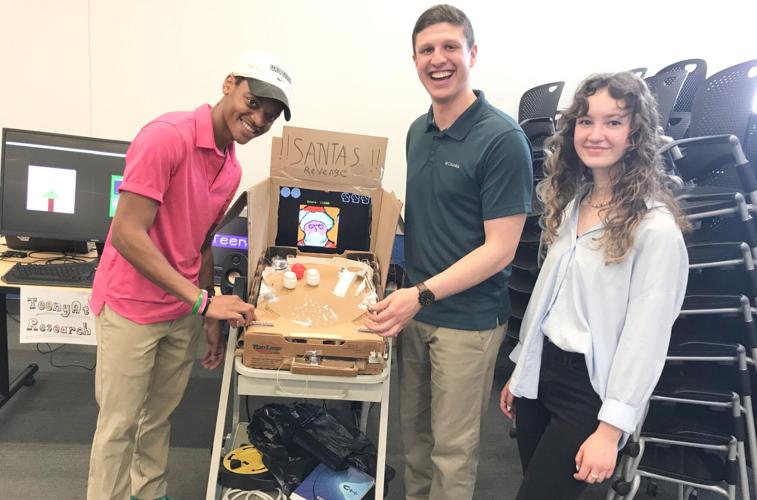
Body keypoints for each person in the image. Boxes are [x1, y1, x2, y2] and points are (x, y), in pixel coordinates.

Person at [87, 53, 293, 500]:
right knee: (119, 424)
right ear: (229, 83)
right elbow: (126, 233)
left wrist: (206, 313)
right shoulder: (166, 137)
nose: (259, 120)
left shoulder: (231, 166)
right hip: (131, 306)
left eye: (270, 115)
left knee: (158, 417)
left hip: (181, 309)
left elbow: (201, 244)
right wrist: (203, 302)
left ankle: (149, 491)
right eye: (253, 102)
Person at [366, 5, 533, 499]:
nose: (438, 60)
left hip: (468, 322)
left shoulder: (503, 140)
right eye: (427, 50)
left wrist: (420, 294)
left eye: (450, 47)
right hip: (415, 312)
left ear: (472, 54)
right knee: (415, 444)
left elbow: (500, 250)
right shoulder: (418, 131)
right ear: (415, 60)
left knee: (452, 452)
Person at [500, 72, 689, 500]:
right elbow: (551, 302)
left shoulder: (655, 228)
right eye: (585, 121)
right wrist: (522, 369)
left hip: (588, 390)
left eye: (613, 122)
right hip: (542, 373)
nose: (595, 134)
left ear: (635, 134)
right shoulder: (576, 205)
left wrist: (610, 429)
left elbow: (646, 339)